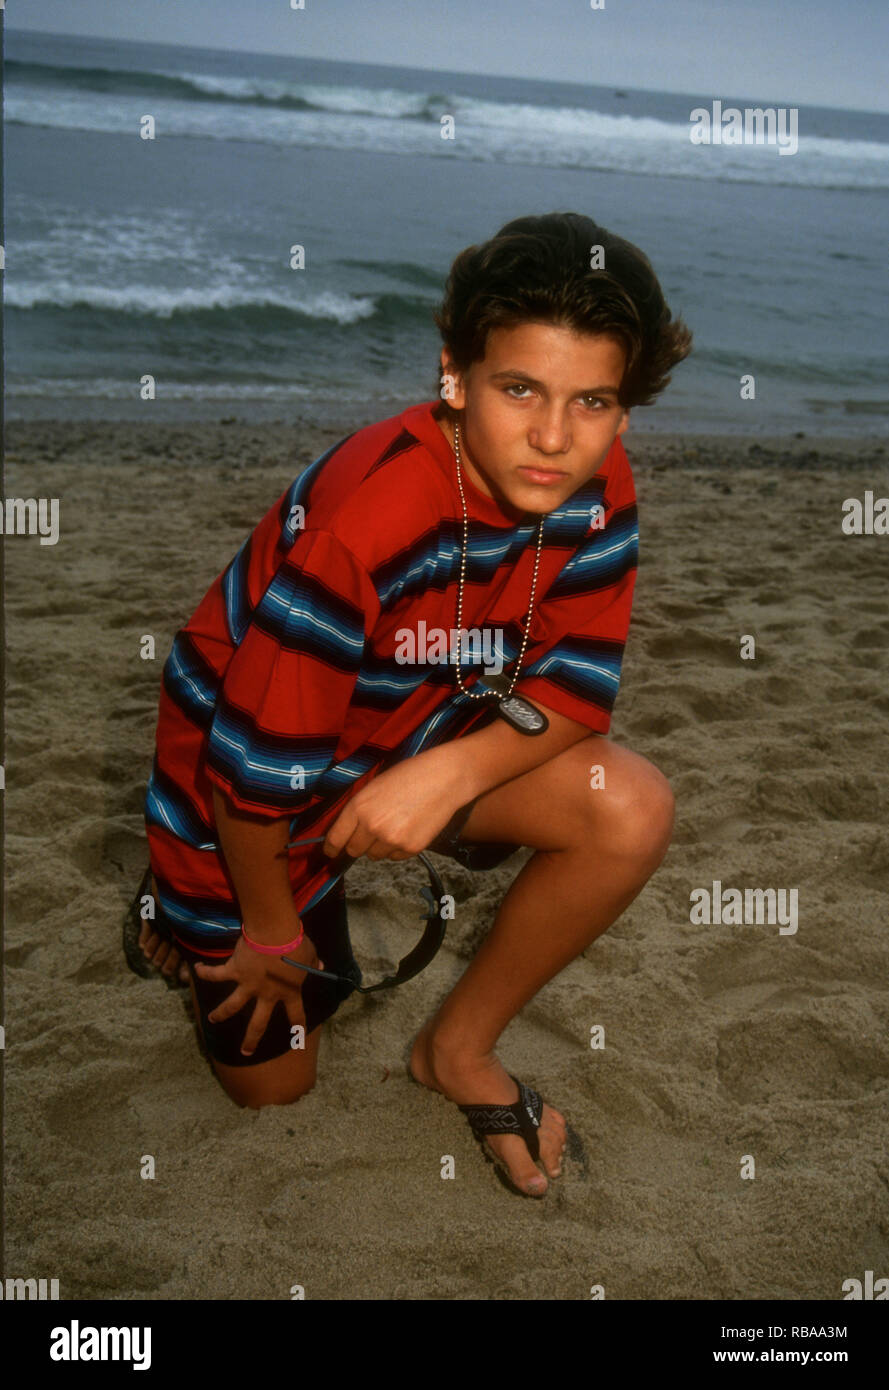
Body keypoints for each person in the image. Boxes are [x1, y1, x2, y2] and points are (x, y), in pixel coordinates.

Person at [127, 211, 692, 1198]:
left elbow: (571, 692)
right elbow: (248, 771)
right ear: (454, 376)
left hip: (419, 730)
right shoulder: (371, 517)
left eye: (591, 401)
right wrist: (269, 934)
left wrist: (453, 768)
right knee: (276, 1085)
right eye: (518, 389)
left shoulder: (596, 487)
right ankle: (176, 900)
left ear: (624, 413)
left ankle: (457, 1050)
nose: (553, 437)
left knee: (627, 804)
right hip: (244, 786)